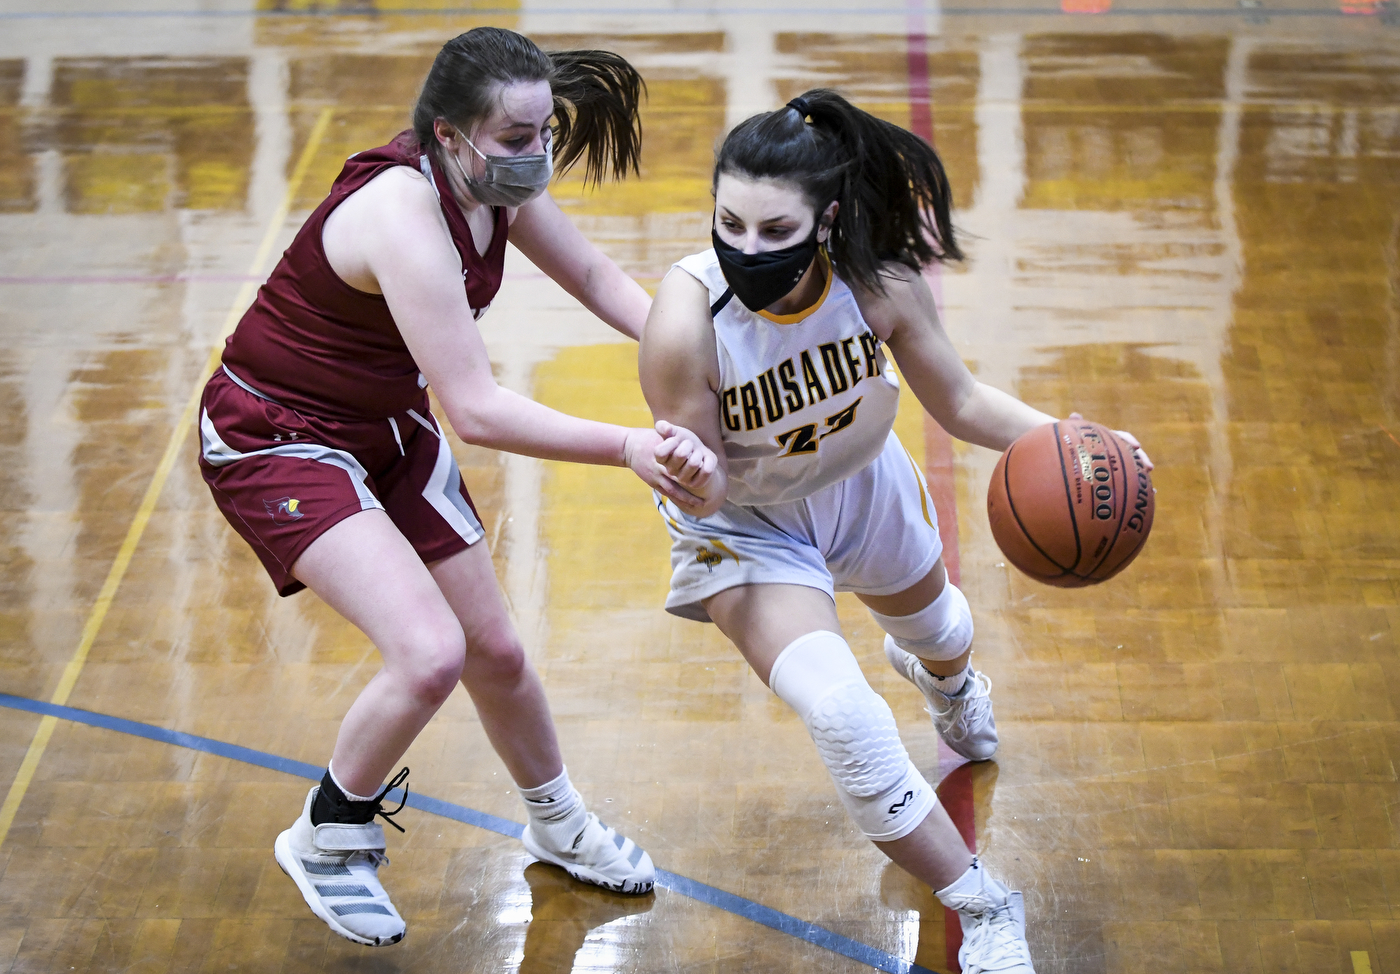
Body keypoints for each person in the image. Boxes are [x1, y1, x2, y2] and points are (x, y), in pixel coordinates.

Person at [198, 27, 715, 947]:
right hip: (276, 434)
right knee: (430, 653)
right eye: (515, 138)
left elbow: (597, 276)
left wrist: (706, 359)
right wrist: (633, 445)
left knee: (496, 653)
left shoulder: (493, 188)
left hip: (382, 426)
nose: (537, 154)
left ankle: (556, 821)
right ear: (448, 134)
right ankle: (325, 837)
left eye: (544, 132)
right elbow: (475, 410)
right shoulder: (402, 213)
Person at [639, 89, 1151, 973]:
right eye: (729, 223)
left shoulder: (876, 279)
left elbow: (958, 401)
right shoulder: (685, 321)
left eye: (774, 229)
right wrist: (690, 476)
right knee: (844, 718)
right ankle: (983, 904)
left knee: (946, 631)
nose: (747, 248)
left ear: (827, 218)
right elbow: (709, 479)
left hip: (863, 486)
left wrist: (1073, 441)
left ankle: (943, 679)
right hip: (748, 525)